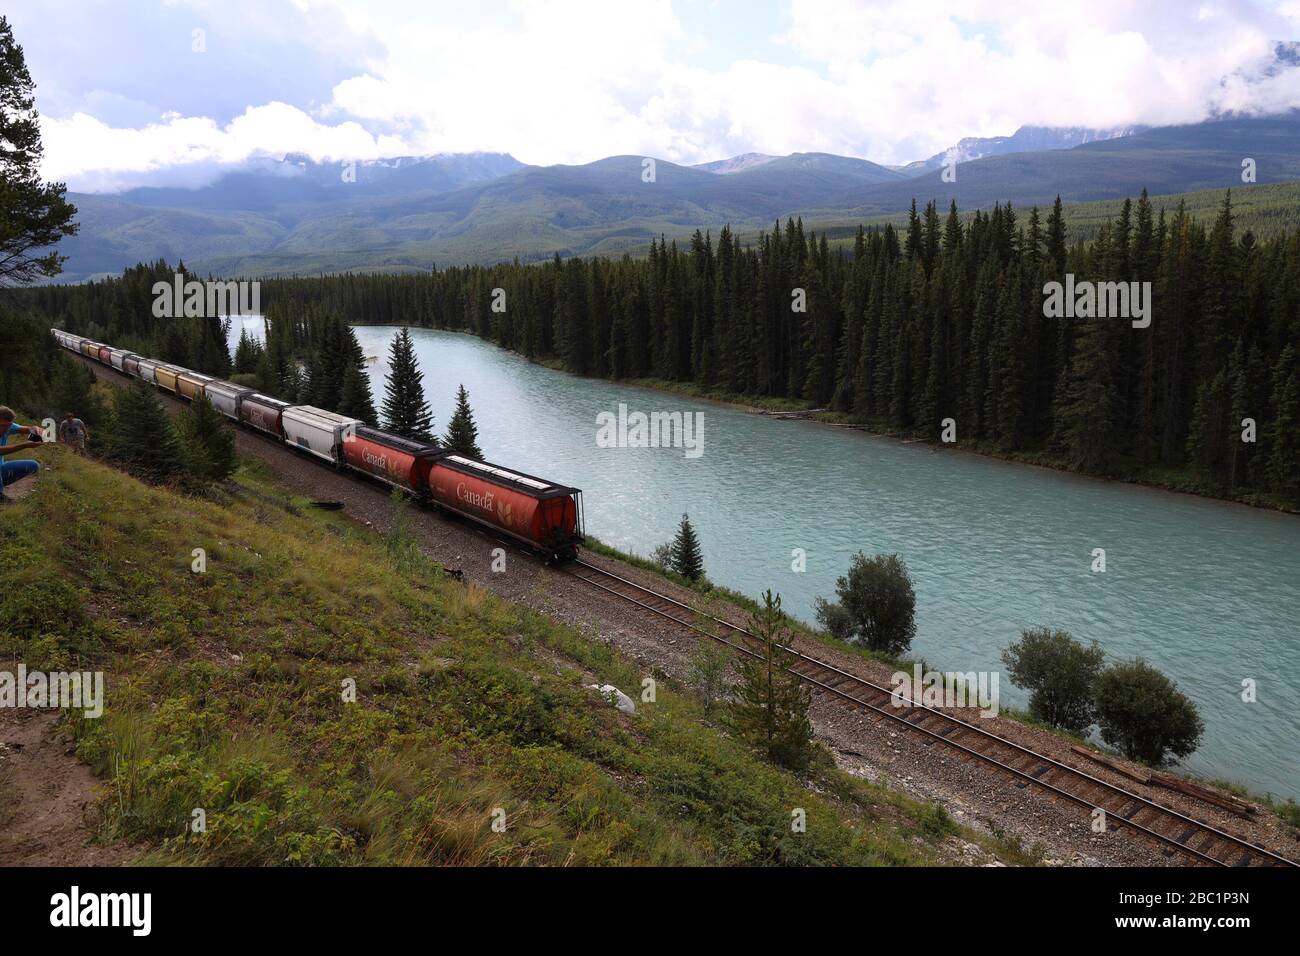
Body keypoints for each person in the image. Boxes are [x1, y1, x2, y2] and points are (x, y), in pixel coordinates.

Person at [0, 405, 45, 502]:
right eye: (3, 426)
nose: (7, 429)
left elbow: (27, 429)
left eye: (9, 426)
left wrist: (36, 430)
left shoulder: (8, 426)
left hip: (1, 468)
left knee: (33, 465)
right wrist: (24, 445)